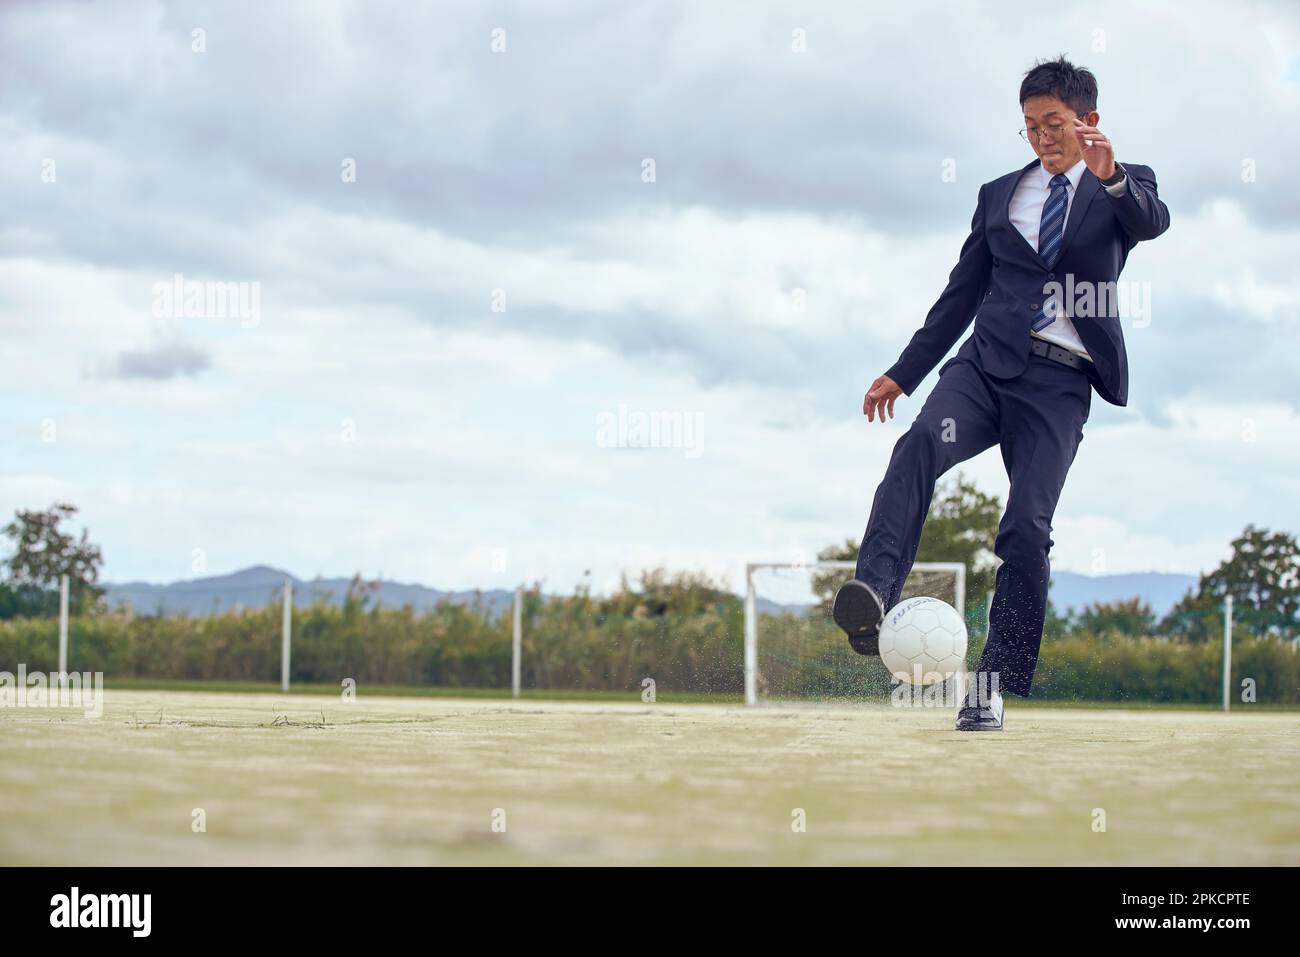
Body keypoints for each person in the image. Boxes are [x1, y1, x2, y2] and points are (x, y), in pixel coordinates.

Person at [832, 56, 1170, 730]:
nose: (1043, 137)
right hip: (984, 369)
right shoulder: (996, 195)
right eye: (1031, 127)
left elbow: (1152, 220)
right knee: (921, 442)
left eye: (1055, 124)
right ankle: (873, 590)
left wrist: (1112, 177)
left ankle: (991, 682)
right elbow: (959, 297)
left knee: (1025, 529)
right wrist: (904, 371)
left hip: (1059, 386)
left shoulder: (1121, 187)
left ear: (1088, 122)